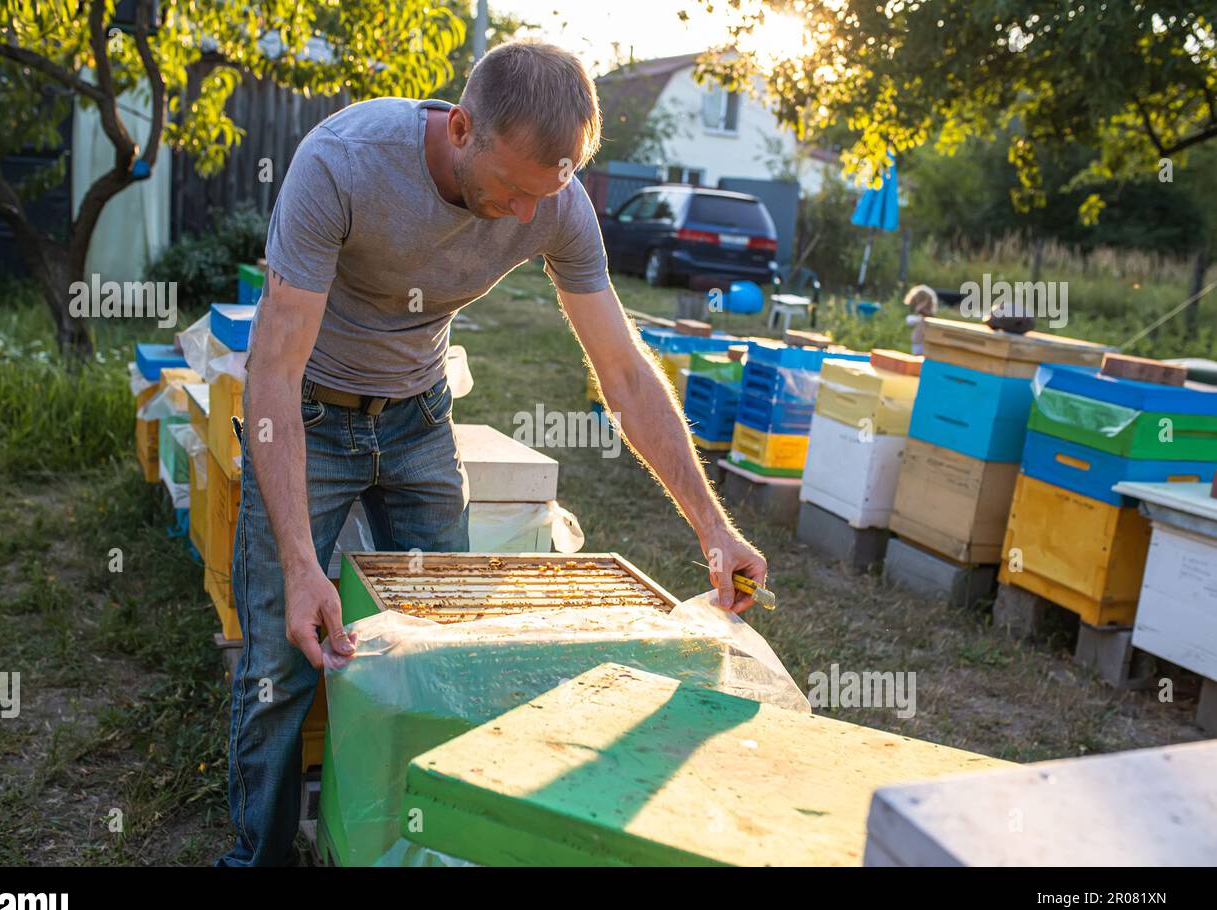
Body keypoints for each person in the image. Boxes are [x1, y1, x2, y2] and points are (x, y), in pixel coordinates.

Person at [218, 40, 768, 867]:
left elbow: (623, 372)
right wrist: (302, 562)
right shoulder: (341, 163)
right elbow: (274, 364)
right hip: (309, 410)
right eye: (510, 189)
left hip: (419, 420)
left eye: (541, 194)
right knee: (280, 657)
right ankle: (255, 858)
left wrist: (713, 529)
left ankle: (417, 843)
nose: (523, 218)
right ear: (463, 126)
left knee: (448, 649)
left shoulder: (556, 200)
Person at [903, 284, 938, 356]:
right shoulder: (922, 316)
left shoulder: (929, 314)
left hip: (921, 346)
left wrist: (927, 299)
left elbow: (919, 309)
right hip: (917, 345)